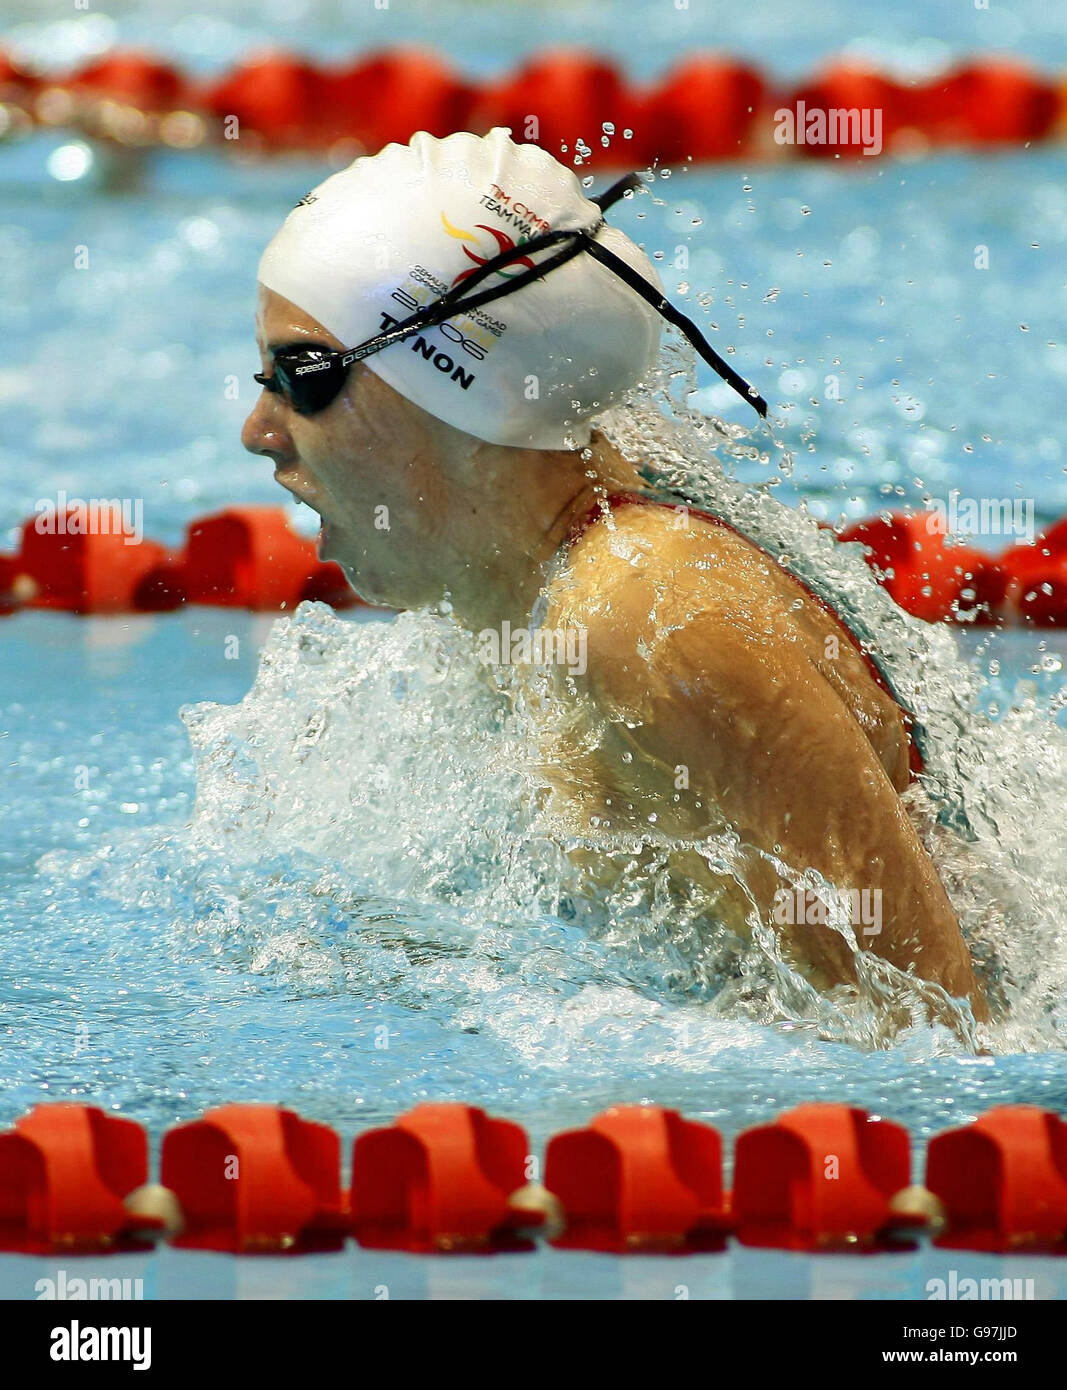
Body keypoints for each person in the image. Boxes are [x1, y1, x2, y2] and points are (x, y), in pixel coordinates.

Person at [241, 127, 988, 1022]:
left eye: (305, 377)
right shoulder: (538, 556)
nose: (259, 430)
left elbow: (935, 1035)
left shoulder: (644, 611)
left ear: (457, 390)